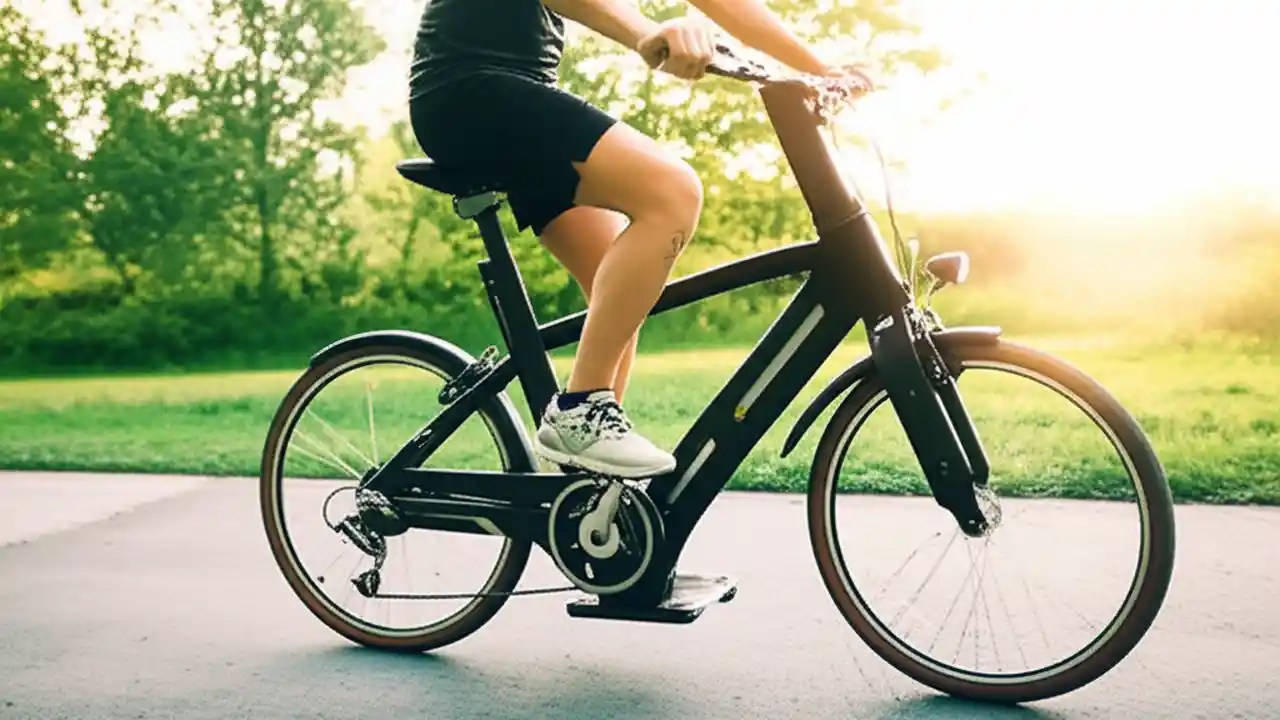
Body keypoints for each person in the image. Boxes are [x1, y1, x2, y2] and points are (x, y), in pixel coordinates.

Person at [409, 0, 864, 478]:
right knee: (672, 193)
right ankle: (580, 411)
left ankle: (590, 490)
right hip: (467, 93)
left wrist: (821, 70)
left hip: (514, 97)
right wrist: (645, 33)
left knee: (621, 292)